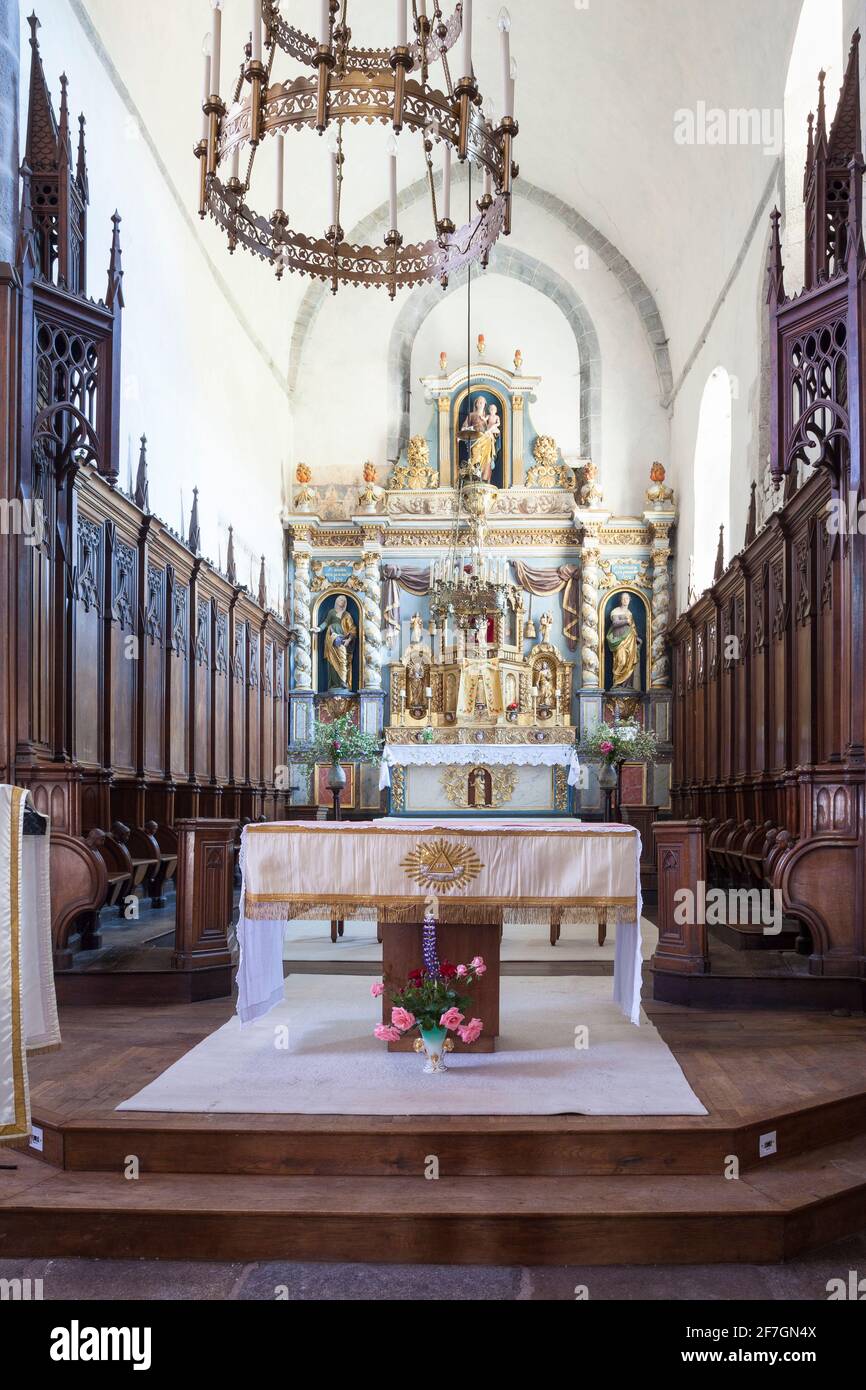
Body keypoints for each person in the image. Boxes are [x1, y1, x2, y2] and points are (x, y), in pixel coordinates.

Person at [319, 594, 357, 691]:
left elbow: (353, 629)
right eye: (340, 599)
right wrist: (319, 628)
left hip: (342, 640)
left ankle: (343, 681)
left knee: (343, 660)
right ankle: (334, 684)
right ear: (336, 601)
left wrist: (348, 640)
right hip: (331, 639)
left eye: (344, 600)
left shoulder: (347, 615)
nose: (342, 601)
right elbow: (326, 622)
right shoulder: (331, 612)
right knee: (332, 662)